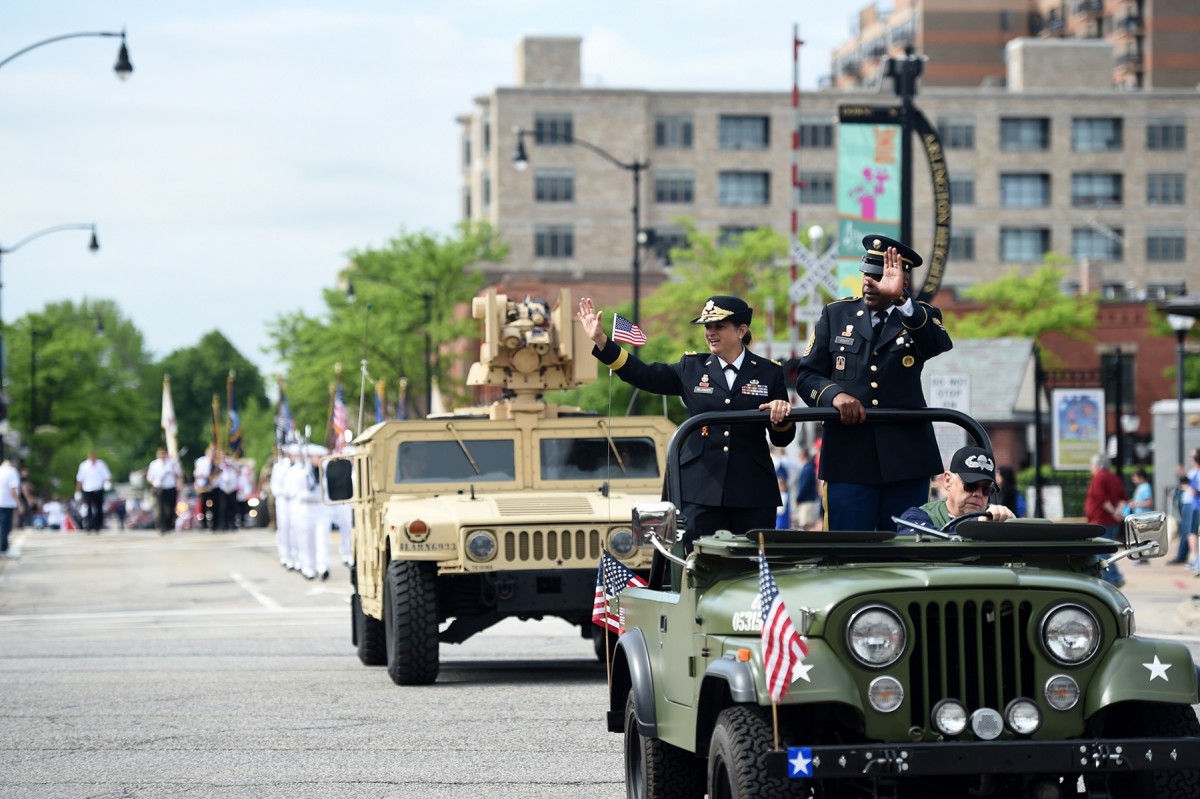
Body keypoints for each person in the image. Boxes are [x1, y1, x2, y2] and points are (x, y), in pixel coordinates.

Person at [578, 294, 796, 547]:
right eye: (707, 327)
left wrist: (780, 417)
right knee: (696, 561)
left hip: (752, 491)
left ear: (741, 330)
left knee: (752, 563)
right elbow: (644, 375)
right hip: (700, 491)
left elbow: (782, 438)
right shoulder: (691, 368)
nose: (711, 333)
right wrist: (602, 341)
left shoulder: (769, 372)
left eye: (719, 326)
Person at [794, 234, 953, 531]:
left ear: (903, 281)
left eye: (878, 276)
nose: (868, 281)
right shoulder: (835, 314)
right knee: (847, 548)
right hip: (849, 458)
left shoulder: (918, 315)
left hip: (906, 459)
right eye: (866, 273)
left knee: (906, 545)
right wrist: (834, 396)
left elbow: (936, 344)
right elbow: (807, 376)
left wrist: (902, 301)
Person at [896, 446, 1015, 534]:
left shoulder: (995, 518)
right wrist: (977, 525)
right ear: (948, 480)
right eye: (970, 485)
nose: (978, 494)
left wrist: (1011, 525)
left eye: (986, 489)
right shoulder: (917, 516)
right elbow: (924, 542)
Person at [1085, 453, 1127, 588]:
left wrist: (1113, 512)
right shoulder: (1114, 478)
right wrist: (1118, 512)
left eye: (1092, 465)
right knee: (1104, 551)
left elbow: (1101, 498)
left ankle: (1113, 578)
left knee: (1101, 551)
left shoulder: (1098, 477)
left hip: (1100, 520)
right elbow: (1123, 498)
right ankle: (1113, 577)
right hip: (1111, 521)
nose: (1091, 468)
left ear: (1097, 465)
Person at [147, 448, 183, 534]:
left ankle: (169, 525)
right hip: (160, 488)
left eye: (163, 454)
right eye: (160, 454)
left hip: (171, 487)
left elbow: (179, 474)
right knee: (161, 508)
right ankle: (162, 526)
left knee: (171, 507)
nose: (162, 456)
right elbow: (149, 477)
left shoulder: (172, 463)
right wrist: (155, 483)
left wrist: (179, 483)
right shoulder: (154, 464)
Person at [75, 450, 112, 533]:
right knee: (88, 507)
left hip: (98, 488)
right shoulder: (83, 466)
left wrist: (107, 483)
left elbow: (107, 476)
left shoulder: (101, 464)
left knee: (99, 507)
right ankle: (89, 524)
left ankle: (98, 525)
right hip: (87, 489)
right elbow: (79, 479)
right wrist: (78, 491)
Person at [795, 444, 820, 530]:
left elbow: (805, 486)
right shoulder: (810, 467)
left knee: (807, 526)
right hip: (809, 500)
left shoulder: (808, 469)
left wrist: (799, 498)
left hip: (807, 501)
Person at [0, 458, 20, 559]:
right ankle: (3, 549)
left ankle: (4, 547)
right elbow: (13, 489)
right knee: (6, 527)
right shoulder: (12, 471)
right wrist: (18, 502)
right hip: (7, 503)